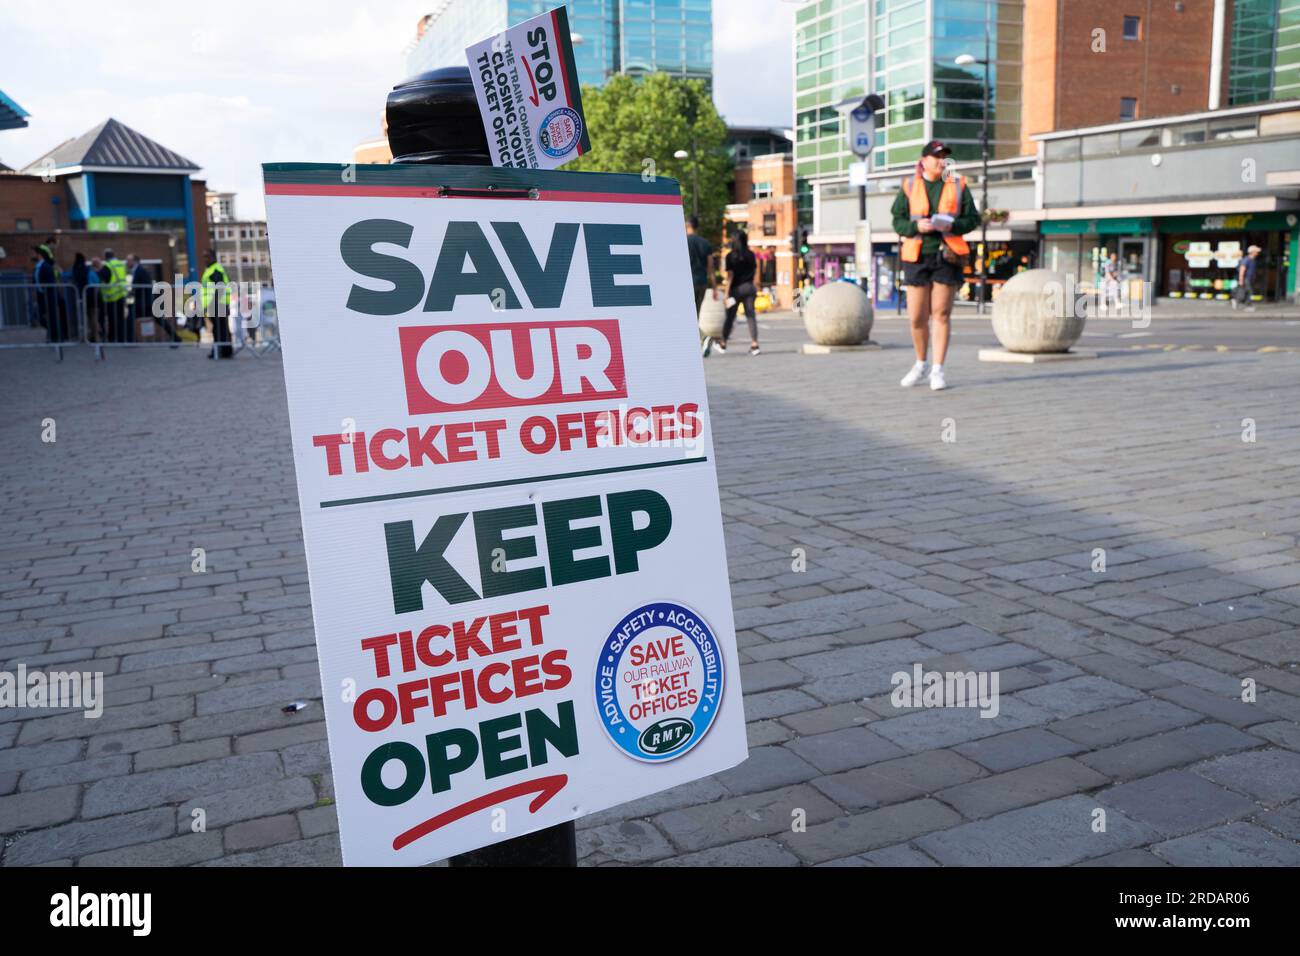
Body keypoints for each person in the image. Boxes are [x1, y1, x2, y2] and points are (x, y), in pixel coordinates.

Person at [891, 140, 979, 391]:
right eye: (937, 156)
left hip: (947, 255)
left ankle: (938, 370)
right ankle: (921, 364)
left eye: (945, 156)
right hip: (917, 256)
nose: (942, 161)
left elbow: (973, 219)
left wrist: (952, 225)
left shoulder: (959, 185)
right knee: (917, 317)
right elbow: (897, 220)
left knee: (941, 313)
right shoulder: (909, 186)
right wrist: (914, 227)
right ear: (924, 160)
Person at [719, 230, 760, 355]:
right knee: (750, 316)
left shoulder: (731, 256)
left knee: (730, 316)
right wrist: (755, 286)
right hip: (749, 288)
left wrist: (726, 293)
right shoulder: (751, 255)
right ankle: (755, 344)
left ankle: (723, 343)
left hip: (736, 290)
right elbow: (755, 272)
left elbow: (730, 276)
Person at [685, 215, 717, 356]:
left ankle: (704, 337)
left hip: (688, 283)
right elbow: (711, 267)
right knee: (695, 314)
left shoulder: (683, 241)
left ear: (687, 225)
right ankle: (699, 342)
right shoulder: (705, 243)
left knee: (687, 316)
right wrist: (714, 287)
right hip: (702, 283)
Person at [201, 253, 233, 358]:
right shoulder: (211, 269)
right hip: (217, 304)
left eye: (207, 257)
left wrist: (213, 303)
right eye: (204, 257)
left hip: (217, 304)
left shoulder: (215, 270)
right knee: (221, 328)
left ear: (213, 258)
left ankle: (220, 351)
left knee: (219, 329)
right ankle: (224, 351)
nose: (205, 259)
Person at [100, 248, 130, 342]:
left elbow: (103, 278)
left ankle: (112, 338)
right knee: (121, 318)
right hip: (121, 294)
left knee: (112, 319)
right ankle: (121, 338)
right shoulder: (121, 264)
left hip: (111, 297)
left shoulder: (107, 265)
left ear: (105, 256)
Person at [1234, 245, 1261, 312]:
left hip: (1250, 279)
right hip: (1246, 279)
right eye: (1256, 251)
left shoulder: (1252, 260)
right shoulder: (1247, 259)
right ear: (1252, 252)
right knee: (1249, 292)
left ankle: (1236, 301)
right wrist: (1241, 280)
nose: (1257, 253)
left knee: (1245, 292)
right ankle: (1248, 306)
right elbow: (1242, 270)